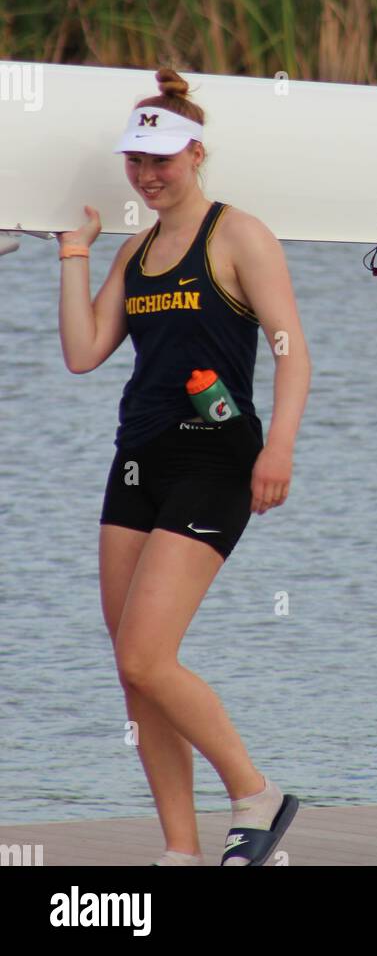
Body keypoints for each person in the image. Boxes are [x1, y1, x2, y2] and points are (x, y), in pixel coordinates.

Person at [57, 66, 311, 866]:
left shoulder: (239, 235)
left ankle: (255, 794)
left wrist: (280, 447)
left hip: (218, 459)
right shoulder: (134, 251)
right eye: (136, 161)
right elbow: (83, 352)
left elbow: (292, 351)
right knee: (134, 673)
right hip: (138, 461)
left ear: (196, 153)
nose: (148, 175)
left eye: (161, 159)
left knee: (146, 654)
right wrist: (72, 255)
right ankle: (180, 849)